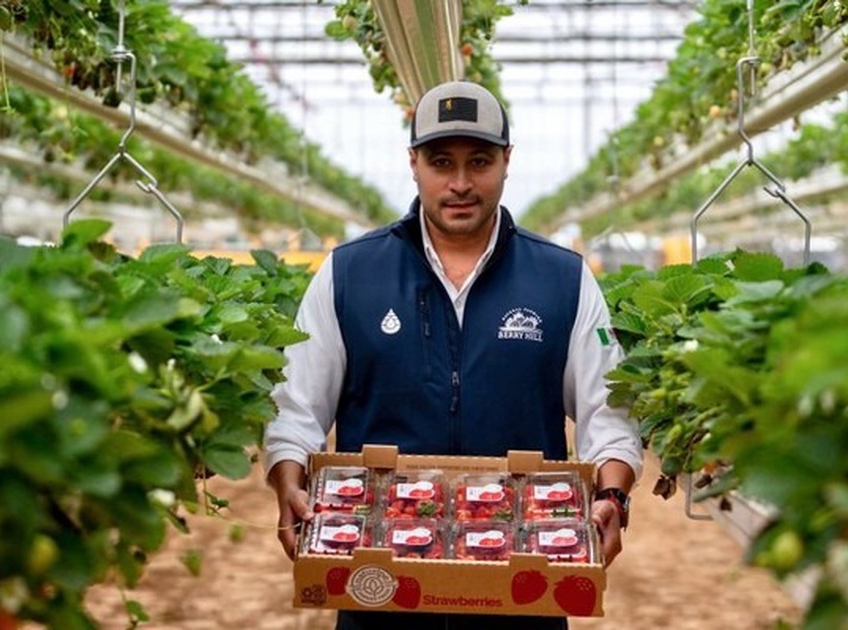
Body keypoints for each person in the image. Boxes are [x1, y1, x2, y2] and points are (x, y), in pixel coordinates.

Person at [262, 80, 644, 630]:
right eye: (442, 161)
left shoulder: (564, 280)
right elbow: (296, 406)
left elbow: (608, 409)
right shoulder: (349, 275)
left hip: (522, 588)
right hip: (381, 586)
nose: (461, 183)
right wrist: (288, 482)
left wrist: (613, 494)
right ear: (414, 163)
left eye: (480, 161)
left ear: (507, 162)